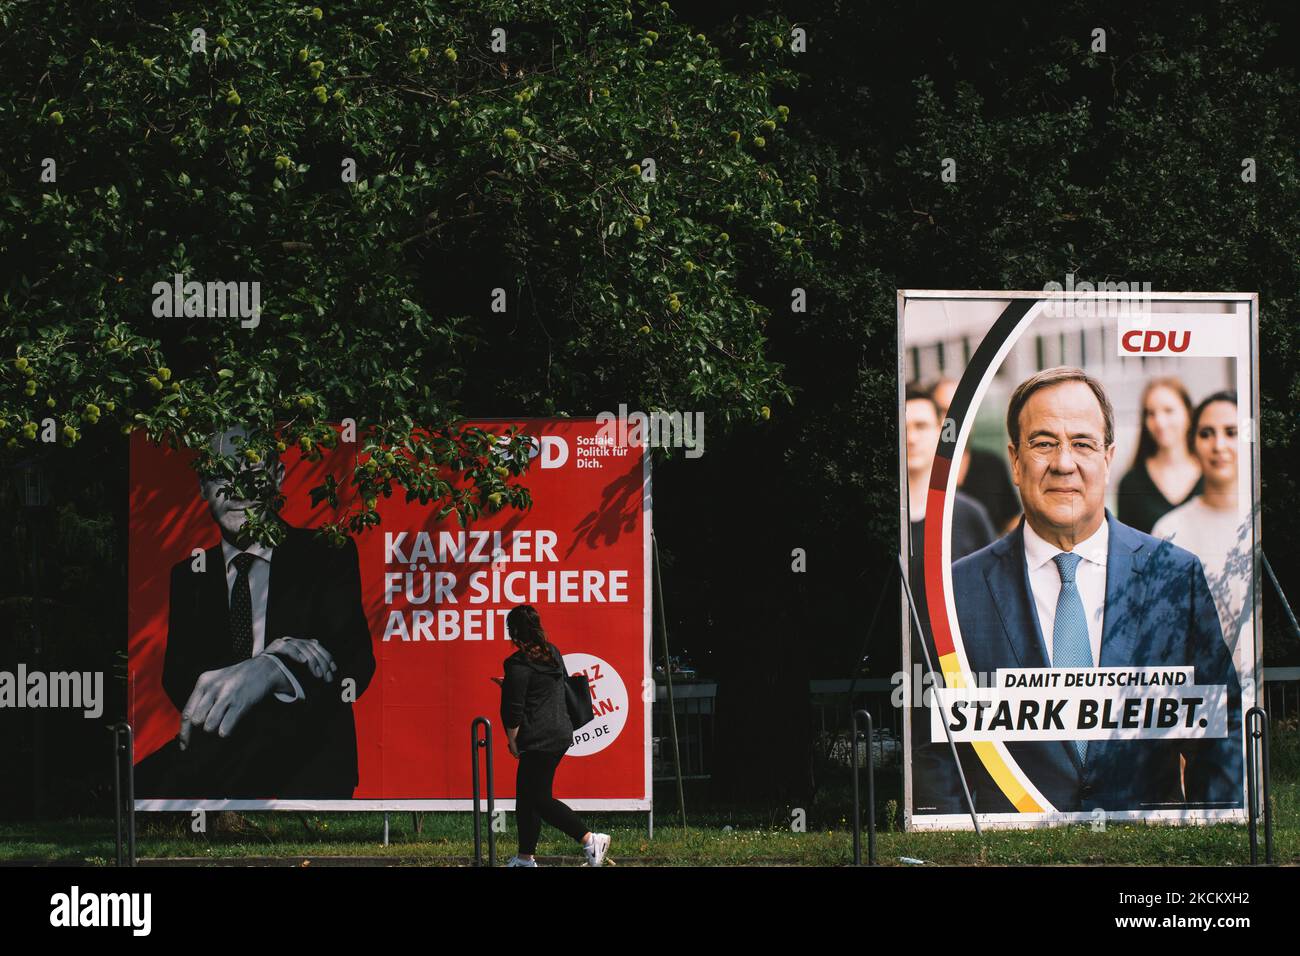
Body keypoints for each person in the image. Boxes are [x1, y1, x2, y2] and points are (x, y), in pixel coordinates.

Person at [944, 367, 1241, 814]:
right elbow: (936, 751)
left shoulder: (1175, 576)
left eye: (1082, 443)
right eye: (1043, 443)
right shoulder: (957, 591)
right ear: (1015, 462)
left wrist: (1208, 842)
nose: (1064, 463)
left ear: (1108, 457)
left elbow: (1221, 731)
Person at [138, 425, 376, 798]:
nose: (237, 492)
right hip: (217, 768)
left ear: (277, 478)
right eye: (222, 475)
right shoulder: (189, 575)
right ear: (202, 485)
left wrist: (274, 672)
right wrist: (262, 662)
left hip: (308, 769)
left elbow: (354, 666)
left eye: (251, 475)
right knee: (126, 794)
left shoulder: (327, 554)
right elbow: (178, 674)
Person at [498, 604, 610, 867]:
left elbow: (514, 710)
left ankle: (590, 839)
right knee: (526, 798)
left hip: (538, 738)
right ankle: (525, 859)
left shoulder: (516, 663)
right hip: (559, 732)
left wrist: (513, 742)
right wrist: (511, 684)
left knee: (538, 799)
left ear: (513, 633)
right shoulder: (552, 654)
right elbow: (544, 689)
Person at [1152, 392, 1252, 679]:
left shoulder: (1266, 523)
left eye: (1231, 432)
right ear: (1193, 443)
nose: (1219, 445)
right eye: (1207, 433)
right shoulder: (1169, 530)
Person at [906, 383, 996, 564]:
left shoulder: (970, 515)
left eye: (921, 426)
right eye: (903, 428)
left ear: (940, 432)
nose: (911, 438)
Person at [930, 377, 1021, 534]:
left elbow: (1012, 522)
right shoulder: (922, 470)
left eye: (964, 408)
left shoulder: (991, 465)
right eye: (946, 410)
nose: (957, 417)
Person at [1116, 378, 1203, 533]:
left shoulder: (1210, 476)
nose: (1160, 422)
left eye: (1169, 411)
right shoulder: (1131, 483)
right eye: (1151, 413)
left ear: (1189, 414)